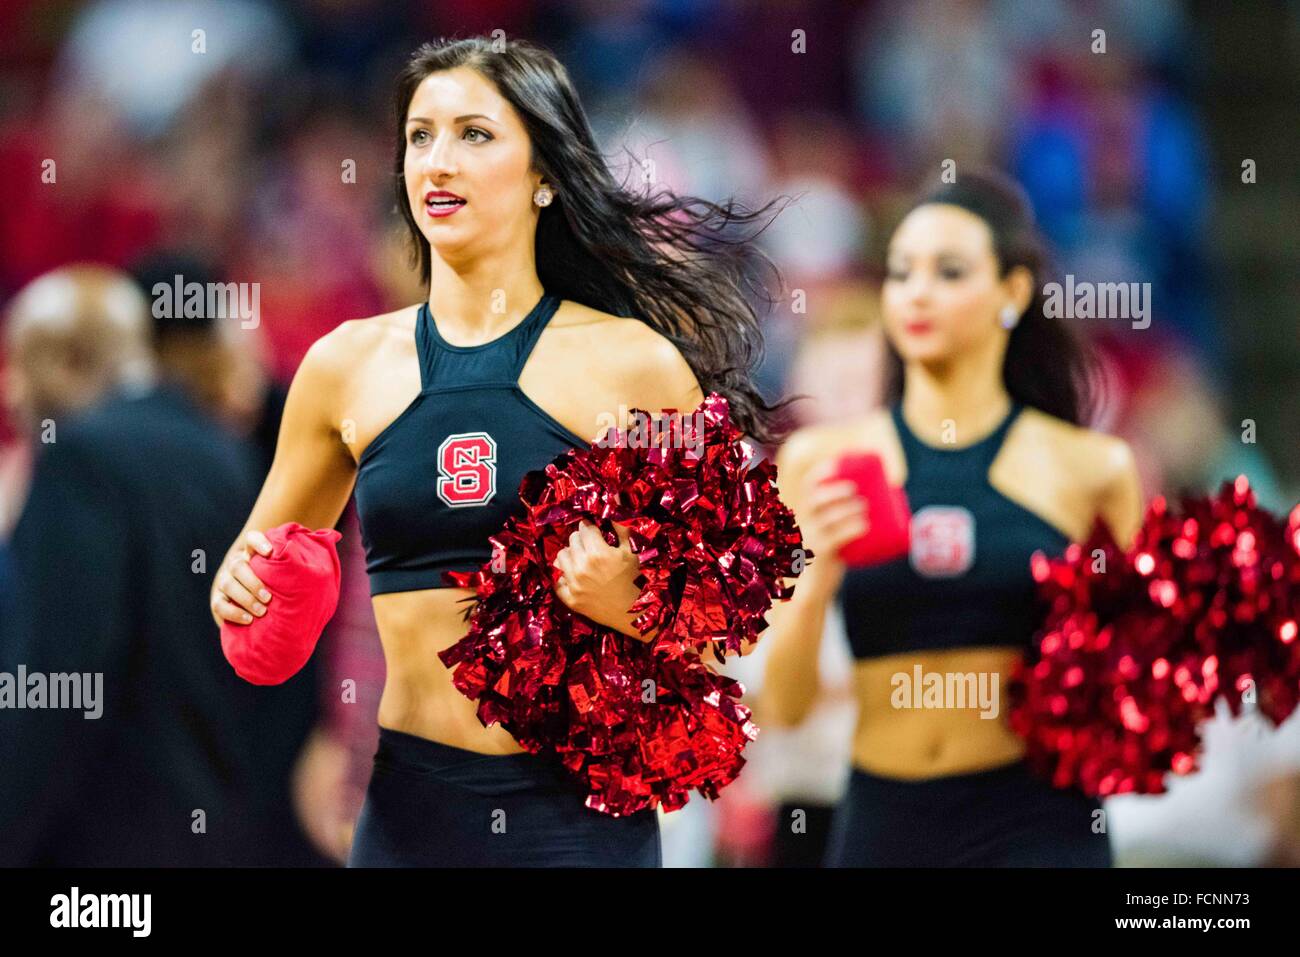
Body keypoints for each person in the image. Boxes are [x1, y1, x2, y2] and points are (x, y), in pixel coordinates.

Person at [208, 36, 793, 867]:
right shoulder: (342, 367)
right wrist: (238, 588)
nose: (437, 162)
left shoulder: (635, 363)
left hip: (574, 821)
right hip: (407, 815)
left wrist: (634, 602)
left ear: (546, 175)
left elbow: (725, 633)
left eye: (474, 135)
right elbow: (256, 575)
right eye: (420, 136)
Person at [763, 170, 1144, 867]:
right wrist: (814, 577)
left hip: (1038, 819)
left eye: (949, 271)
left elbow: (1139, 689)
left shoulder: (1095, 468)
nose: (917, 292)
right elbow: (784, 708)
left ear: (1013, 292)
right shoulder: (821, 460)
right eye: (901, 272)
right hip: (882, 821)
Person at [0, 265, 270, 865]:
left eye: (26, 363)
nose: (13, 391)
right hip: (210, 835)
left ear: (74, 361)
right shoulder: (226, 454)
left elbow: (61, 683)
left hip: (98, 850)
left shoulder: (82, 459)